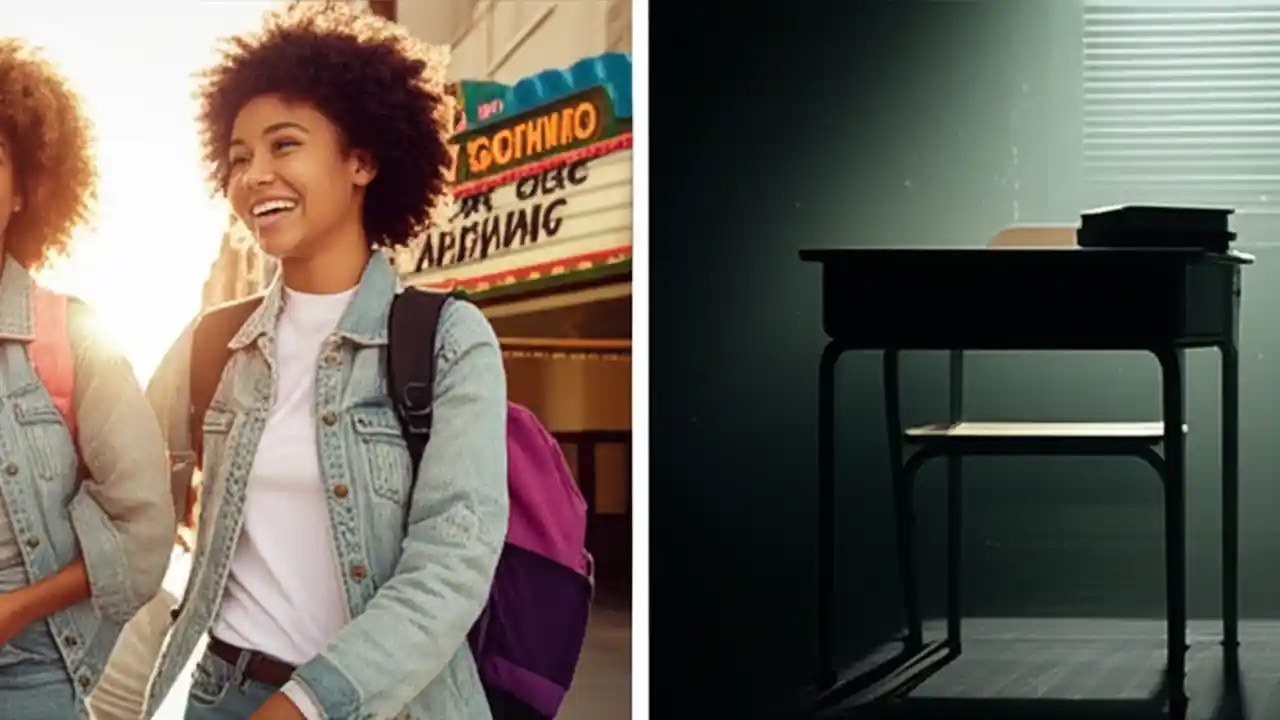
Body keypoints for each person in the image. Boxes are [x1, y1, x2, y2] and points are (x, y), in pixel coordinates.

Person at [141, 3, 509, 718]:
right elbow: (114, 493)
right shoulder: (211, 344)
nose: (254, 176)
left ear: (362, 160)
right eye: (240, 156)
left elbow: (454, 563)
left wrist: (307, 703)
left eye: (284, 145)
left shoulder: (449, 340)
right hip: (223, 695)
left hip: (385, 702)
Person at [0, 38, 175, 719]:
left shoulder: (71, 337)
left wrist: (14, 610)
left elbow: (144, 532)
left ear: (25, 190)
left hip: (26, 682)